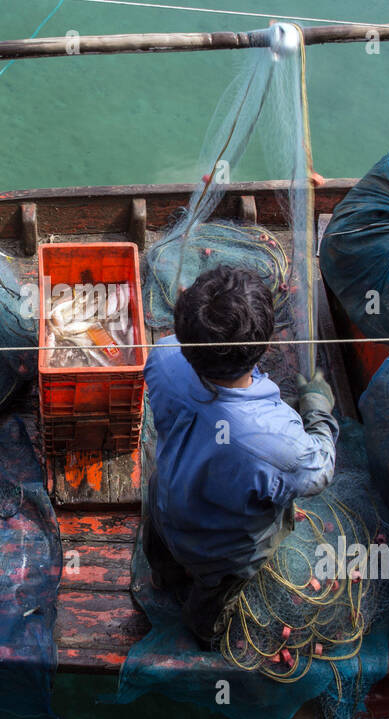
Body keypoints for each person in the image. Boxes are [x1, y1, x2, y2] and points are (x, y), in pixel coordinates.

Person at [143, 265, 339, 648]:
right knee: (213, 593)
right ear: (264, 346)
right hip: (220, 550)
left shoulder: (163, 357)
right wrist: (318, 411)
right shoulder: (279, 442)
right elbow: (320, 470)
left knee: (162, 548)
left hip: (166, 506)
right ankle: (204, 628)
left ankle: (162, 577)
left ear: (184, 333)